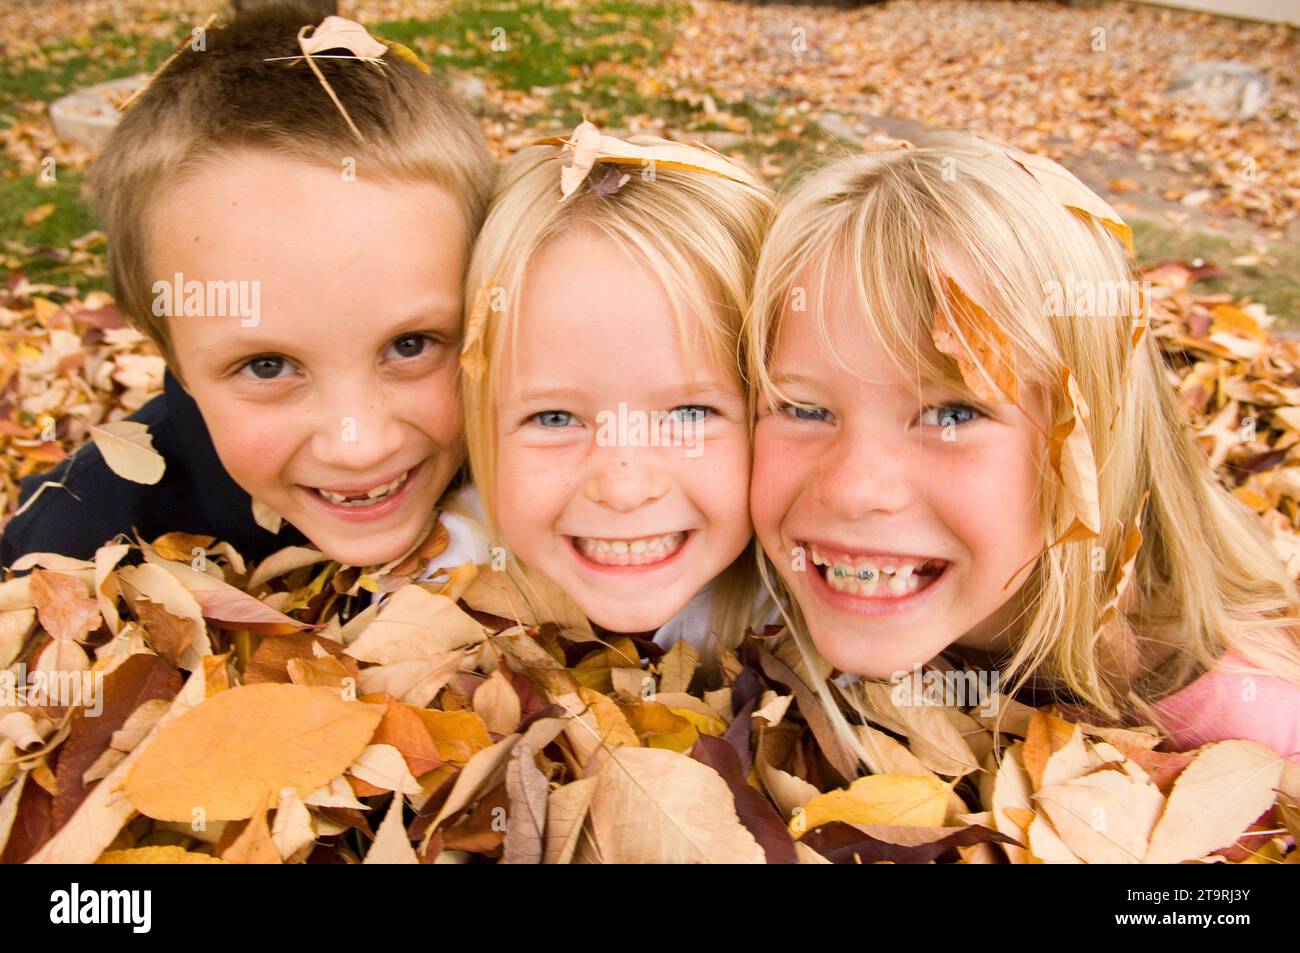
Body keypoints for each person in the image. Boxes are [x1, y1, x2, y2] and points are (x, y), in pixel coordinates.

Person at [744, 130, 1300, 762]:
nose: (852, 489)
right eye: (803, 408)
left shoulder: (1240, 726)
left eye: (952, 413)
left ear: (1093, 443)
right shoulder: (733, 592)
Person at [1, 2, 493, 570]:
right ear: (171, 353)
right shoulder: (69, 547)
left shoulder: (554, 468)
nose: (360, 445)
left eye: (411, 345)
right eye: (267, 366)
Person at [453, 122, 775, 658]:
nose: (624, 490)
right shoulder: (442, 580)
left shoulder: (812, 608)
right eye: (555, 418)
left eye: (691, 412)